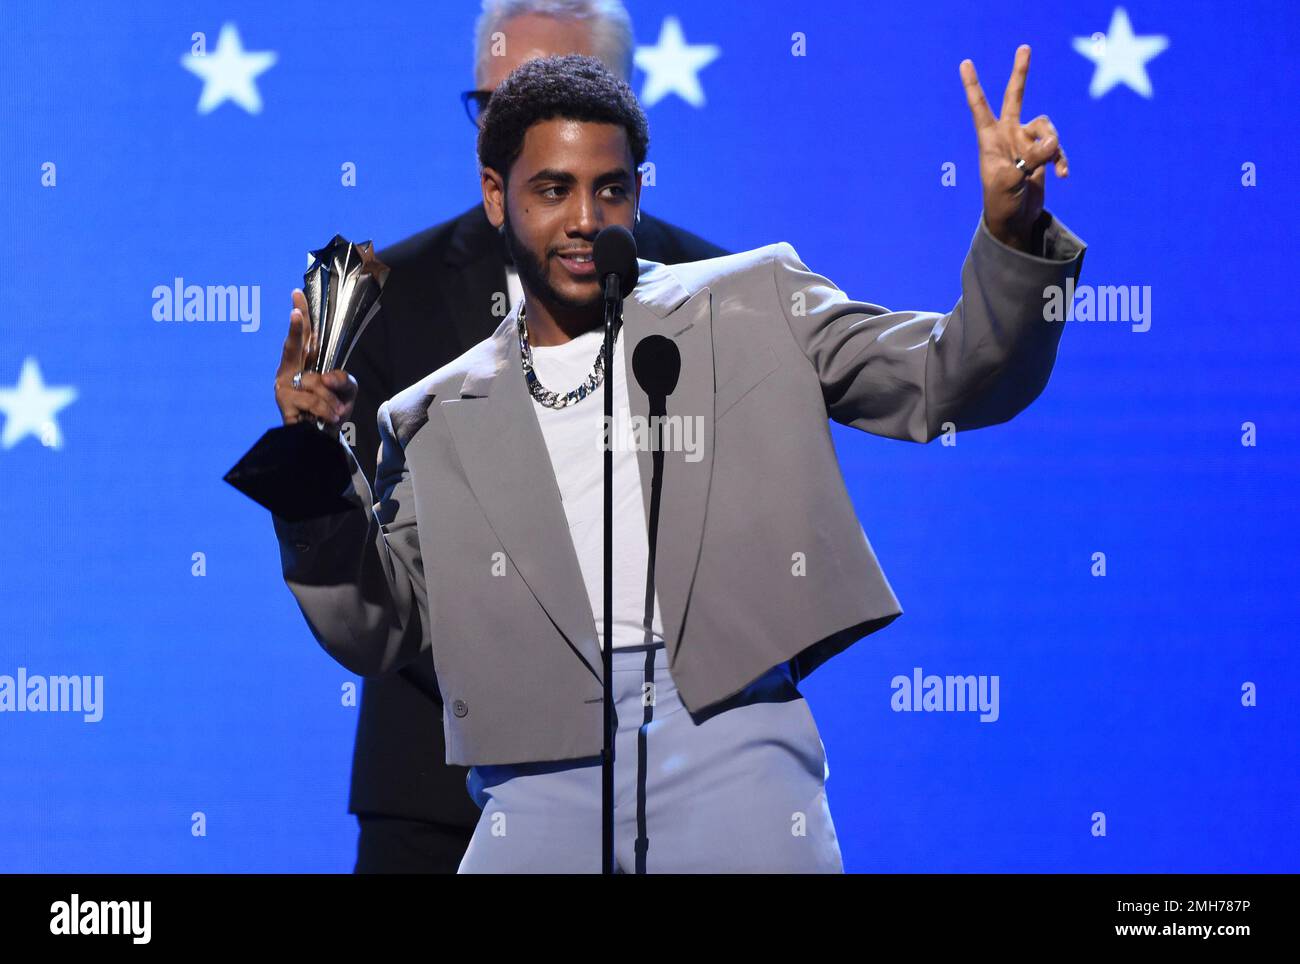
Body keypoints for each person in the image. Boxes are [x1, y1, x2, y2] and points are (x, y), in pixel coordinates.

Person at [271, 48, 1085, 872]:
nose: (586, 218)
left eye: (611, 188)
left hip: (732, 739)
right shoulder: (435, 411)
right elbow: (384, 621)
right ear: (495, 197)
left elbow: (948, 375)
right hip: (536, 770)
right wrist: (310, 473)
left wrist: (1009, 234)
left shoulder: (752, 302)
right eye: (553, 189)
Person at [338, 0, 728, 874]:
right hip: (436, 792)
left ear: (623, 114)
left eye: (551, 96)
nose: (512, 133)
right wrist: (307, 457)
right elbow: (373, 574)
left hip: (675, 788)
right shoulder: (386, 295)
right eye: (494, 107)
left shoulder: (711, 295)